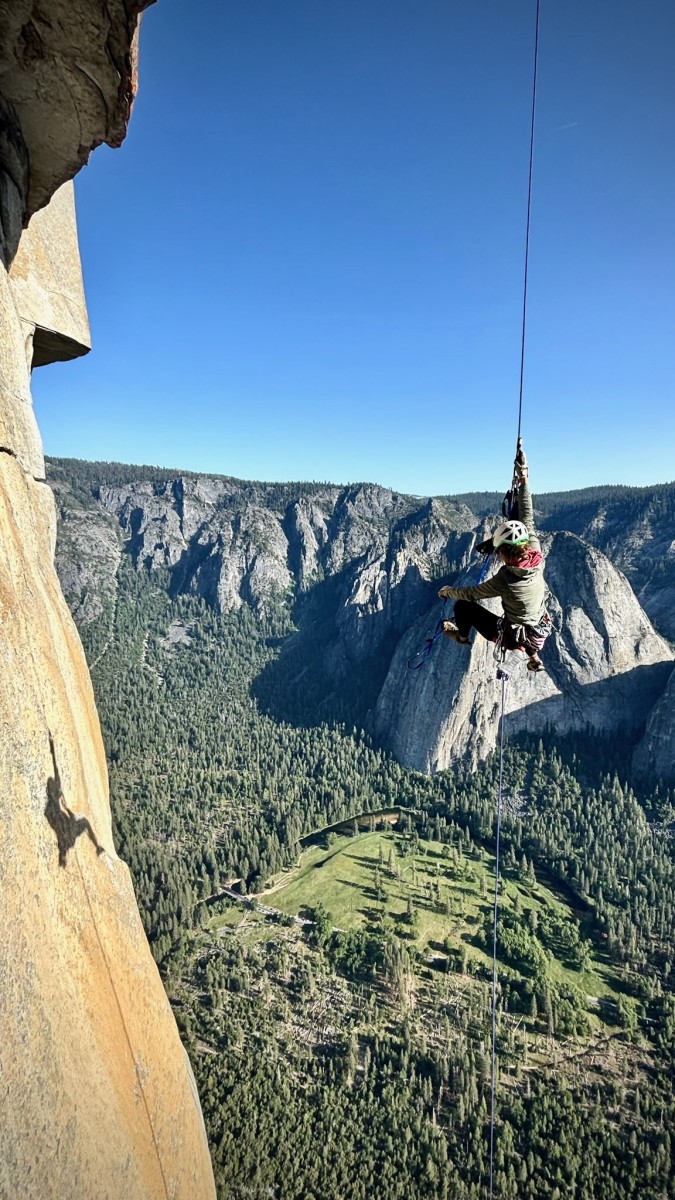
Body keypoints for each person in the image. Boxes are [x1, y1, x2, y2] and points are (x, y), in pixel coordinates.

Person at [437, 443, 550, 671]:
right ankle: (532, 655)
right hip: (540, 629)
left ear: (502, 552)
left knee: (463, 608)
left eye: (497, 551)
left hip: (512, 634)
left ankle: (460, 636)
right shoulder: (536, 554)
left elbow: (471, 594)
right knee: (523, 619)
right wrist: (524, 478)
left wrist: (447, 591)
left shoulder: (506, 578)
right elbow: (527, 516)